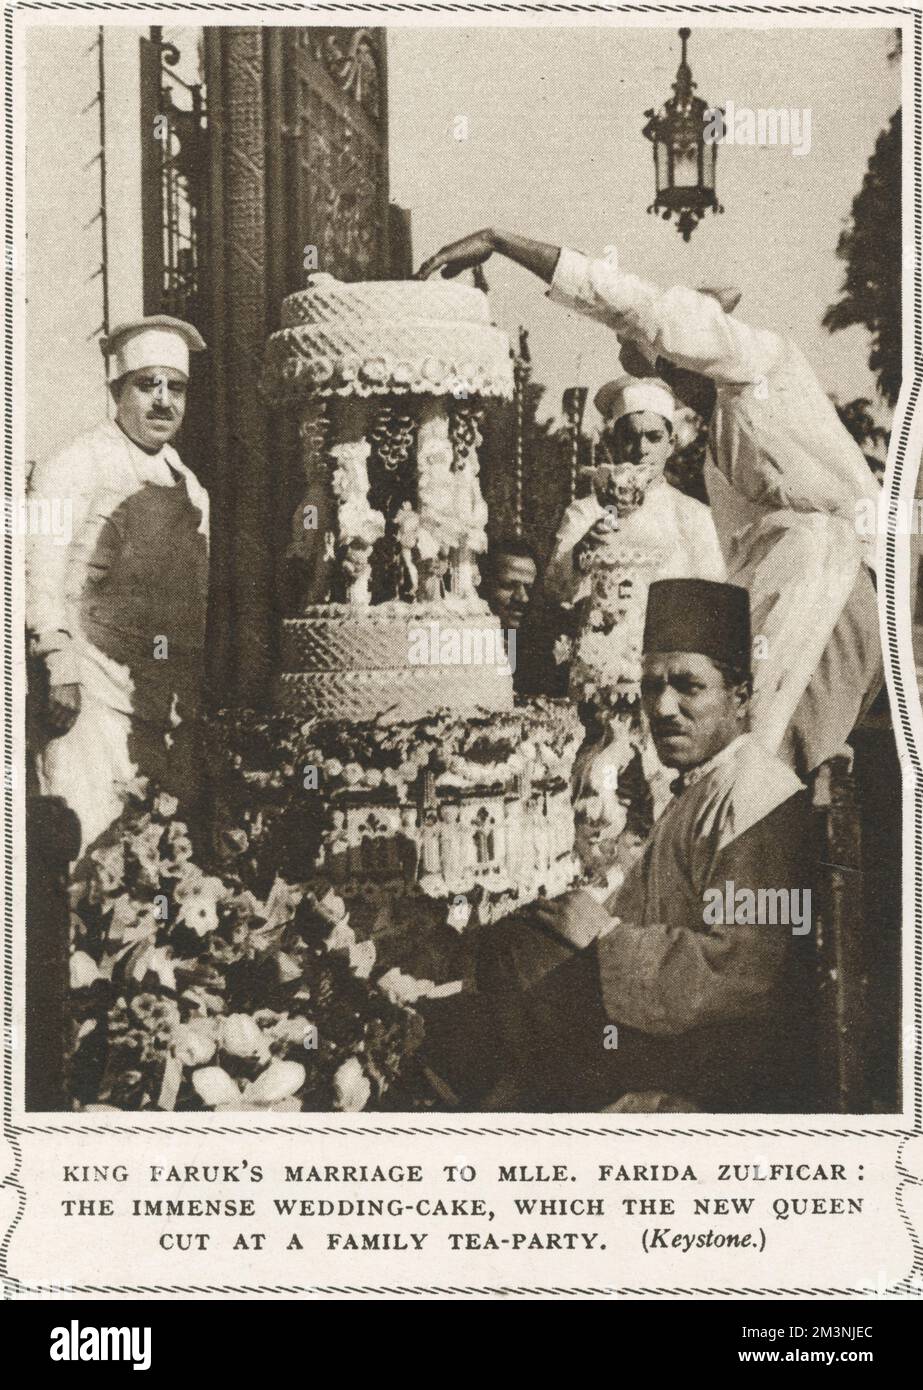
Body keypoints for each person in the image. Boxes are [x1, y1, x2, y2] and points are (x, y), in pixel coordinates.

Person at [418, 230, 883, 780]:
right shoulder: (718, 453)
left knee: (759, 771)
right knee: (741, 769)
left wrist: (502, 242)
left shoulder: (759, 362)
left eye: (662, 364)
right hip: (792, 596)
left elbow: (636, 304)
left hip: (835, 586)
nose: (667, 381)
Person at [473, 579, 817, 1113]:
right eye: (651, 686)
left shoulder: (756, 797)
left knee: (518, 959)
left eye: (688, 686)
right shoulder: (708, 782)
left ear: (740, 697)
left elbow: (743, 974)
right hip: (668, 1020)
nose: (663, 707)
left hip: (719, 1050)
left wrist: (603, 933)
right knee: (516, 941)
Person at [27, 315, 209, 855]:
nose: (162, 401)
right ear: (117, 390)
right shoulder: (69, 464)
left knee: (156, 855)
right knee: (86, 844)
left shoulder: (192, 487)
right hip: (86, 694)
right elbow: (37, 566)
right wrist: (59, 664)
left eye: (175, 388)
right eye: (146, 384)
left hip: (159, 702)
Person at [544, 374, 724, 608]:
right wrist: (582, 551)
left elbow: (711, 598)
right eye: (630, 437)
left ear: (670, 444)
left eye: (653, 437)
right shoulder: (584, 512)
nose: (641, 449)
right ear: (614, 442)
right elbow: (553, 592)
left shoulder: (694, 515)